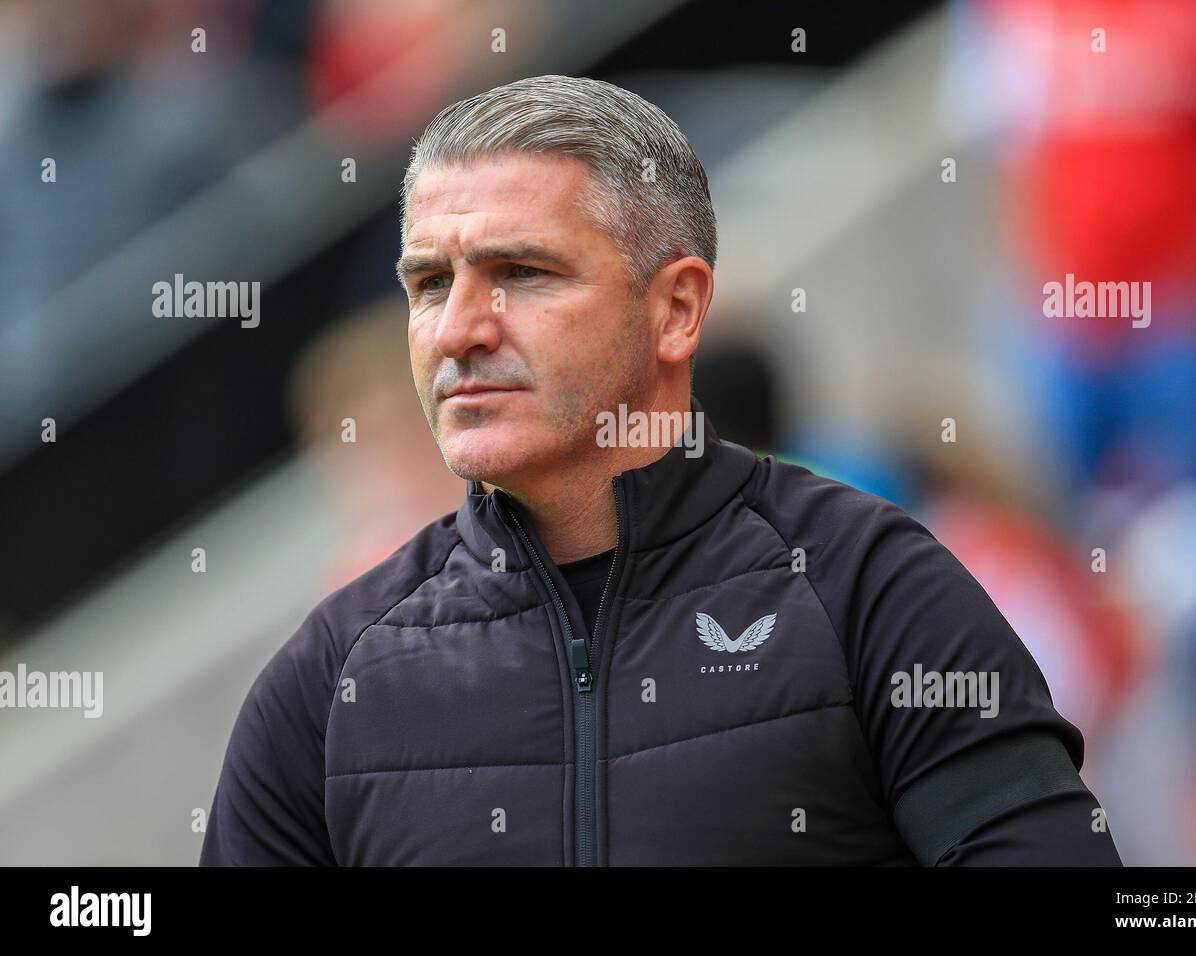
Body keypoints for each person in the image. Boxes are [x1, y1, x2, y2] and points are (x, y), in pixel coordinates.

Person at [199, 74, 1122, 866]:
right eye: (431, 284)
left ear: (677, 310)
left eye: (520, 273)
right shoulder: (331, 679)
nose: (458, 330)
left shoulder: (873, 587)